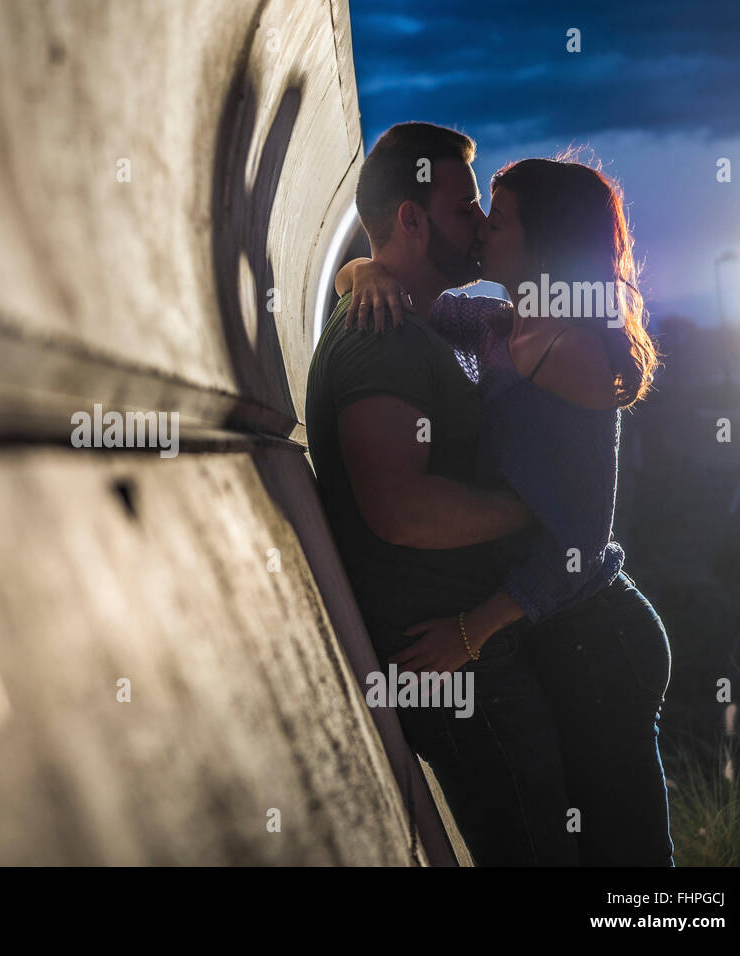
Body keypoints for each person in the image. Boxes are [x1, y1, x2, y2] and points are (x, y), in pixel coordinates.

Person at [334, 151, 673, 866]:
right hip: (561, 636)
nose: (482, 226)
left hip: (597, 638)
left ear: (543, 241)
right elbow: (408, 295)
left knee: (632, 869)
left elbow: (578, 540)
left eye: (500, 214)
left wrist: (470, 630)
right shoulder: (496, 324)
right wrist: (361, 272)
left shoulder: (573, 353)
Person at [305, 122, 575, 865]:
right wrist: (534, 509)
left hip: (468, 661)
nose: (481, 224)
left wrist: (358, 269)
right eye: (464, 209)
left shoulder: (418, 319)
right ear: (412, 220)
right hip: (456, 672)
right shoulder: (382, 337)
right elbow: (401, 509)